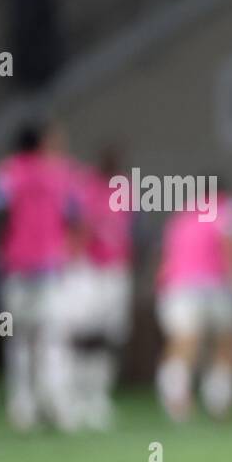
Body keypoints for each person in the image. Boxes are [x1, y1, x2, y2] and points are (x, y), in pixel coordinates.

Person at [0, 121, 80, 431]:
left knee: (18, 342)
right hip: (50, 269)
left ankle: (22, 409)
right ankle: (56, 406)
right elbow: (75, 213)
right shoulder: (61, 173)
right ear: (42, 141)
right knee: (53, 340)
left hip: (15, 267)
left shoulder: (7, 172)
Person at [154, 187, 232, 422]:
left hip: (177, 285)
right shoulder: (229, 209)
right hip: (214, 283)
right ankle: (219, 401)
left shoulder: (182, 214)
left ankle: (176, 400)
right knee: (226, 344)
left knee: (182, 344)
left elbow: (166, 254)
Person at [65, 147, 133, 429]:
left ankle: (99, 394)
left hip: (115, 269)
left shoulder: (125, 189)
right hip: (88, 269)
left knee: (109, 337)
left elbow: (126, 230)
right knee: (82, 335)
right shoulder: (85, 185)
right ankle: (76, 395)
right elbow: (75, 225)